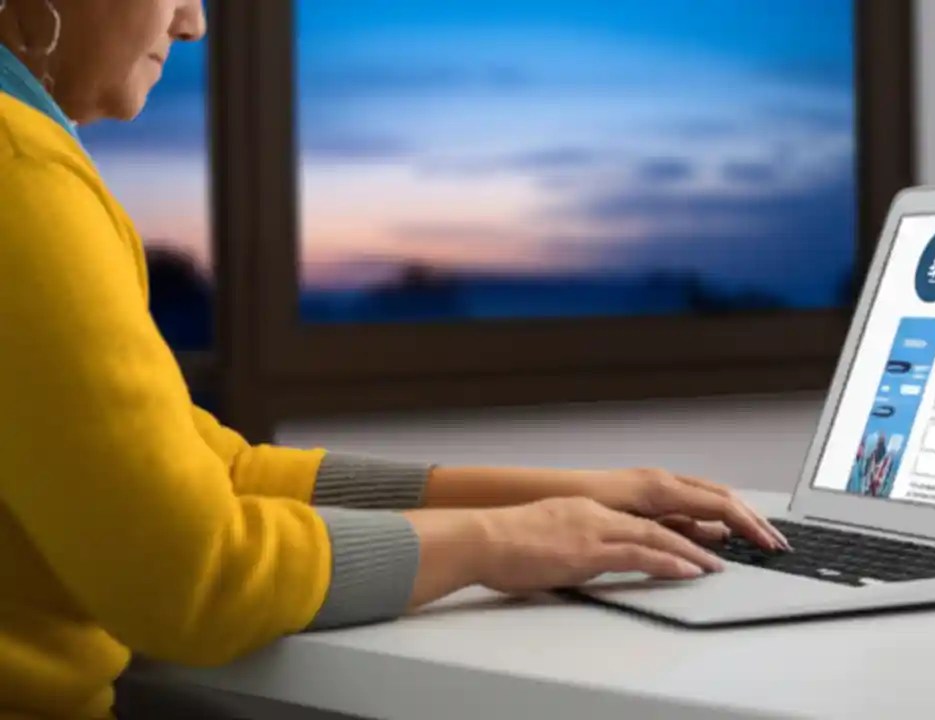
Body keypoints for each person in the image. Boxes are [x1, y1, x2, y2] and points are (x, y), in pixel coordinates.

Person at [0, 2, 789, 716]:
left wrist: (567, 497)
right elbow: (197, 576)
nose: (193, 24)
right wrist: (499, 544)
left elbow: (218, 474)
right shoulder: (21, 174)